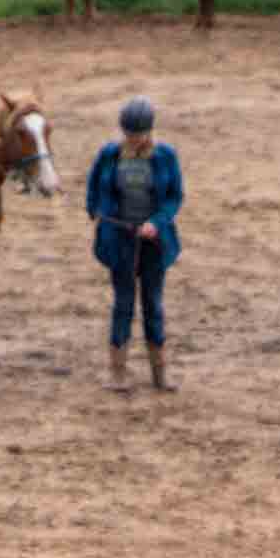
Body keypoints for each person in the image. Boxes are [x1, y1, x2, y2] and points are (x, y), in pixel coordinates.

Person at [86, 94, 183, 393]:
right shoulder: (109, 155)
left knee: (153, 303)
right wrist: (98, 213)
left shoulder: (166, 156)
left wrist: (157, 222)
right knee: (123, 304)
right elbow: (94, 190)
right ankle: (117, 371)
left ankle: (159, 373)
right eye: (129, 134)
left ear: (149, 131)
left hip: (154, 244)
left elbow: (174, 197)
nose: (134, 139)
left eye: (139, 134)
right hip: (121, 241)